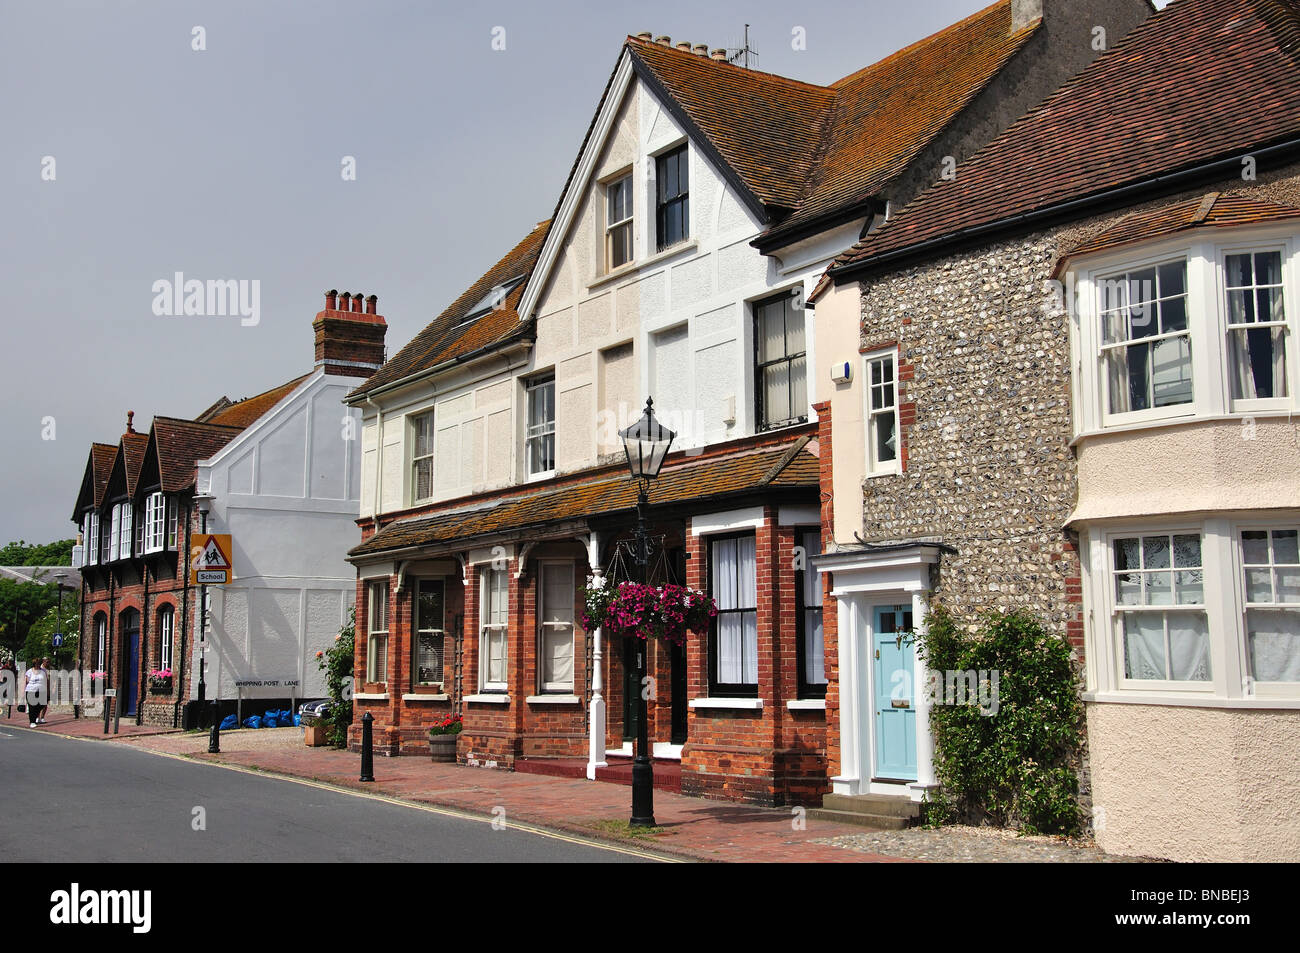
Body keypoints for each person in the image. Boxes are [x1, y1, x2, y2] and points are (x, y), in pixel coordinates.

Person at [24, 660, 48, 729]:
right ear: (34, 664)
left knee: (42, 704)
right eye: (36, 664)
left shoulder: (43, 671)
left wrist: (48, 690)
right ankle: (32, 722)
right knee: (32, 707)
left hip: (41, 690)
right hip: (31, 690)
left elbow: (46, 680)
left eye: (38, 664)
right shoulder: (29, 671)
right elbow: (26, 681)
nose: (38, 665)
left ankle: (34, 716)